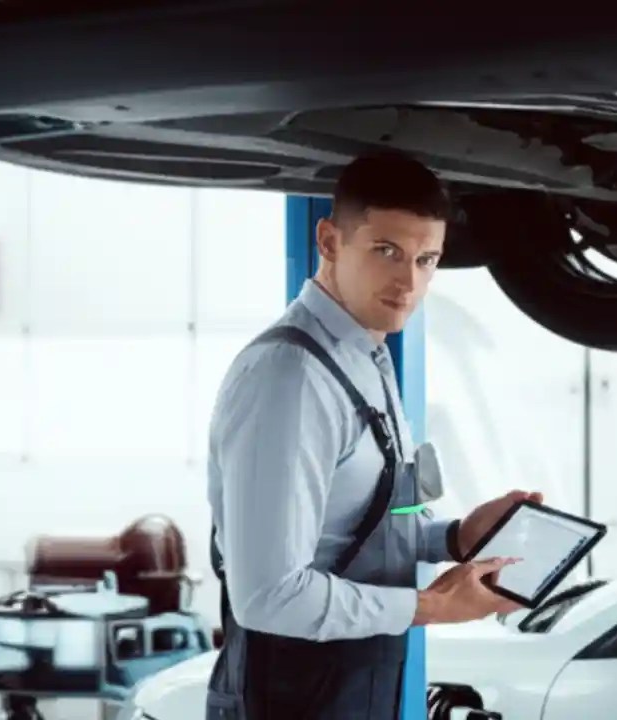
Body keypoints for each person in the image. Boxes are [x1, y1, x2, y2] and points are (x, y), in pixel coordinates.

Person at [204, 151, 543, 720]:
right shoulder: (290, 376)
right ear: (330, 241)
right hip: (287, 693)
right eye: (386, 251)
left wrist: (454, 539)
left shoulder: (367, 354)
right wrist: (430, 606)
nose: (408, 283)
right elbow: (268, 597)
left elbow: (347, 531)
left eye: (426, 259)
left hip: (354, 683)